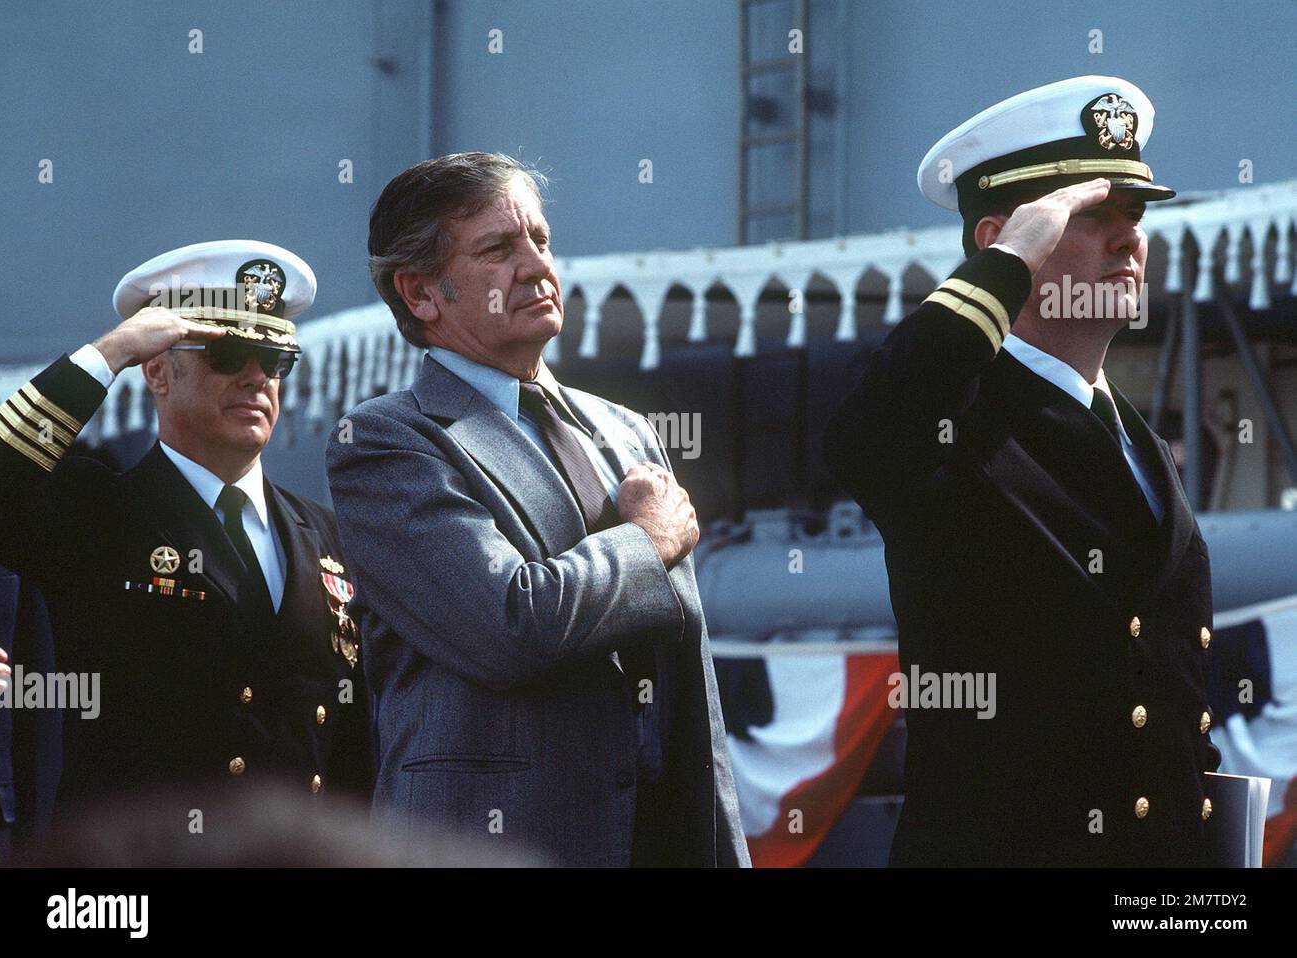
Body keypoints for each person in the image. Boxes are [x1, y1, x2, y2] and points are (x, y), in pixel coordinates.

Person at [824, 77, 1221, 866]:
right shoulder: (954, 424)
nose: (1126, 240)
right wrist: (1007, 264)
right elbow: (866, 433)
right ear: (1002, 240)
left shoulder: (1139, 444)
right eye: (1087, 216)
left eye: (1134, 216)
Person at [326, 152, 749, 867]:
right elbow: (509, 624)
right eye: (497, 248)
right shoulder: (386, 441)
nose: (535, 266)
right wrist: (646, 543)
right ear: (423, 294)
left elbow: (688, 674)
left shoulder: (626, 430)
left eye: (542, 240)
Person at [0, 240, 373, 826]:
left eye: (274, 362)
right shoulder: (97, 509)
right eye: (228, 356)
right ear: (157, 370)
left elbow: (350, 742)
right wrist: (108, 353)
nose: (256, 378)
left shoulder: (323, 533)